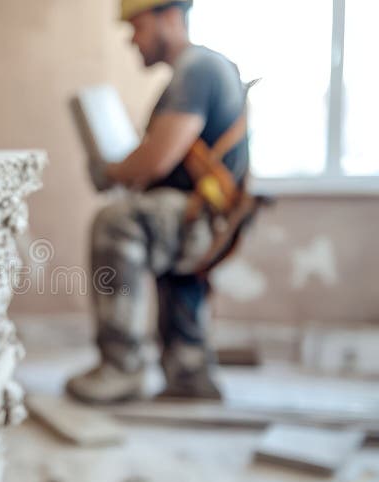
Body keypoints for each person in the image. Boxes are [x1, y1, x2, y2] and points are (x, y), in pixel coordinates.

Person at [66, 0, 251, 403]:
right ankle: (188, 369)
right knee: (155, 221)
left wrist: (109, 170)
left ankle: (122, 368)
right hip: (204, 217)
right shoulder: (199, 70)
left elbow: (157, 158)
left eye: (137, 26)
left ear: (170, 16)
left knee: (118, 221)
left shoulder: (196, 68)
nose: (132, 39)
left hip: (201, 219)